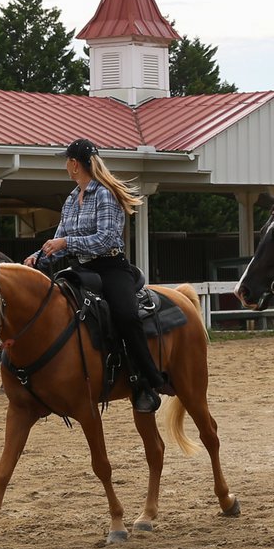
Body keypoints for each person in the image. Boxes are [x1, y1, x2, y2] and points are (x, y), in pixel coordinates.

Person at [37, 139, 166, 414]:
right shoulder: (72, 198)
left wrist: (66, 244)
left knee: (126, 316)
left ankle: (146, 380)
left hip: (111, 267)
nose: (65, 165)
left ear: (74, 164)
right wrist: (38, 257)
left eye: (66, 160)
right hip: (82, 269)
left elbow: (107, 239)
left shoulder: (105, 194)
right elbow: (59, 238)